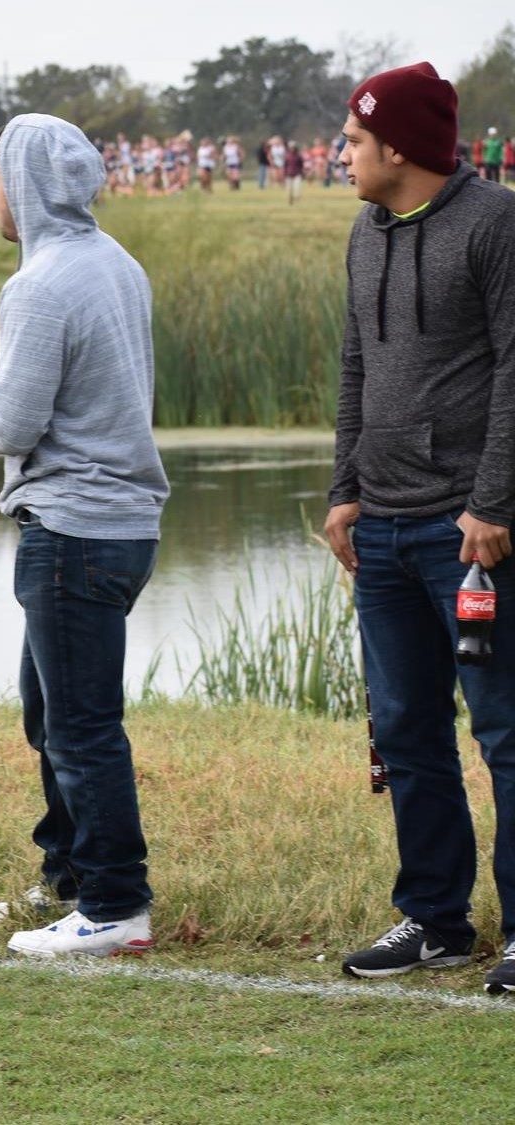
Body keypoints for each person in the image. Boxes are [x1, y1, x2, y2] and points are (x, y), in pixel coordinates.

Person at [0, 115, 168, 957]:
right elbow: (74, 399)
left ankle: (114, 905)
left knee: (79, 725)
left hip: (72, 529)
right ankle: (66, 877)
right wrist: (1, 395)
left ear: (27, 185)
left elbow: (10, 428)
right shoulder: (115, 263)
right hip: (122, 524)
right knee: (52, 711)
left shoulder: (37, 283)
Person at [322, 63, 515, 992]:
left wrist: (495, 502)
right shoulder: (365, 232)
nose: (342, 155)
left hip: (470, 533)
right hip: (386, 530)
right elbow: (357, 367)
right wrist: (343, 490)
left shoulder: (497, 222)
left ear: (396, 145)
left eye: (353, 141)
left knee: (507, 734)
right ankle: (437, 920)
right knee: (405, 733)